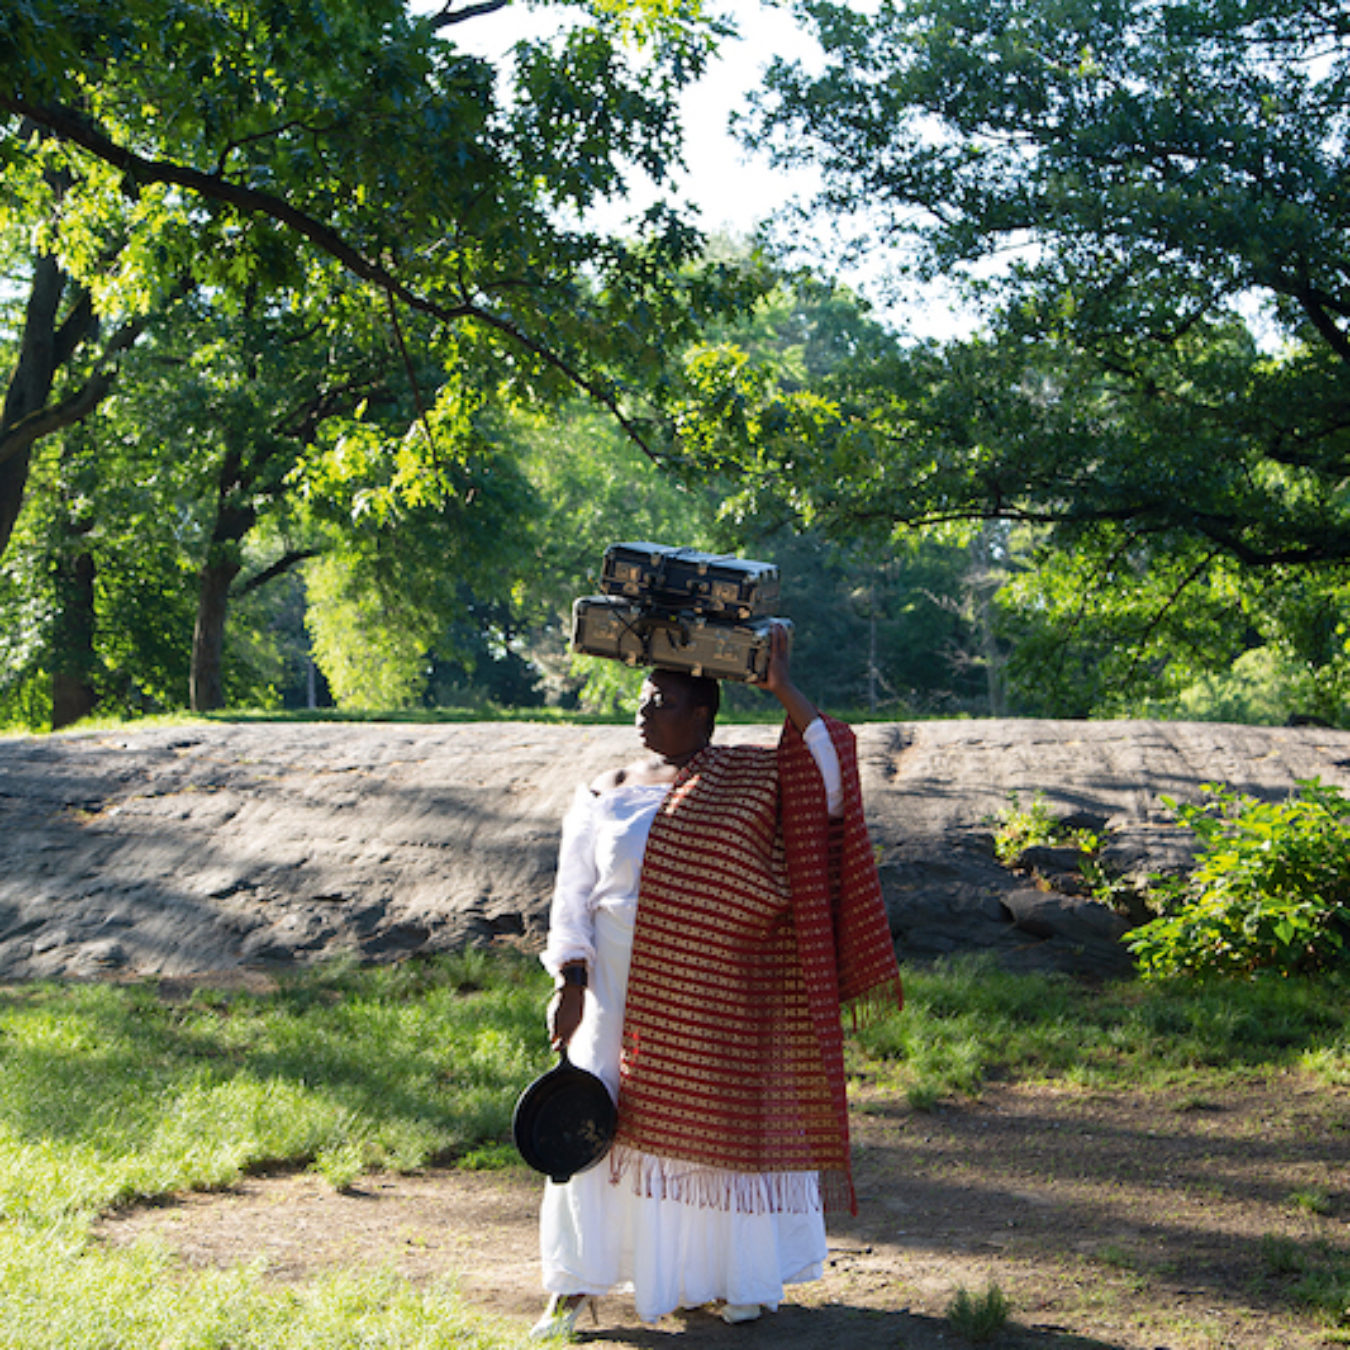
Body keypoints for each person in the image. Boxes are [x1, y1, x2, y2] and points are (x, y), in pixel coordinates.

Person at [530, 624, 901, 1339]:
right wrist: (569, 977)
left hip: (714, 988)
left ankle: (722, 1278)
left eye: (661, 699)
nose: (643, 711)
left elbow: (830, 788)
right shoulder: (606, 786)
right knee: (591, 1119)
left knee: (713, 1130)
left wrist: (783, 689)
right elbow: (571, 892)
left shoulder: (750, 778)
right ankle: (574, 1284)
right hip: (612, 984)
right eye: (642, 696)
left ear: (702, 715)